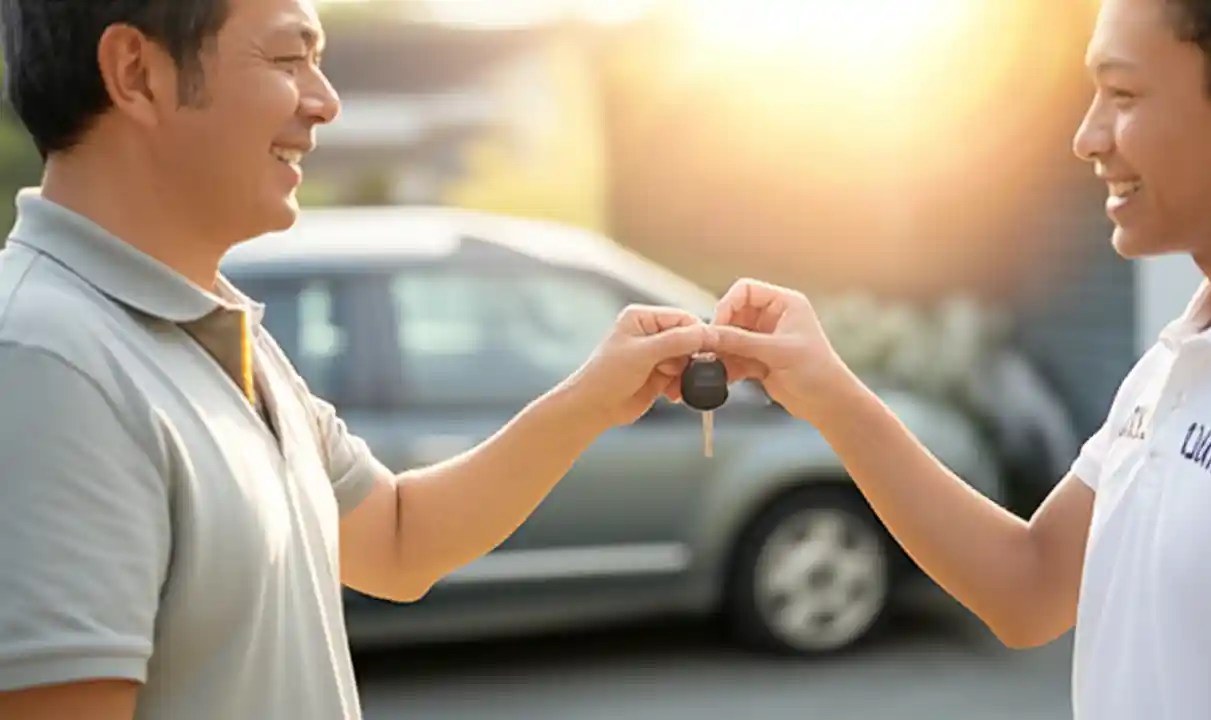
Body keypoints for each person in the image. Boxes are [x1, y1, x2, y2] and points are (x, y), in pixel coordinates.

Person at [0, 0, 712, 718]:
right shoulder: (44, 363)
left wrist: (594, 397)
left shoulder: (213, 326)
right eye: (287, 59)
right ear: (137, 72)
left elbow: (400, 540)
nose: (325, 101)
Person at [706, 0, 1211, 717]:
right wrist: (825, 391)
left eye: (1124, 93)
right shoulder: (1175, 362)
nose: (1086, 137)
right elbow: (1029, 587)